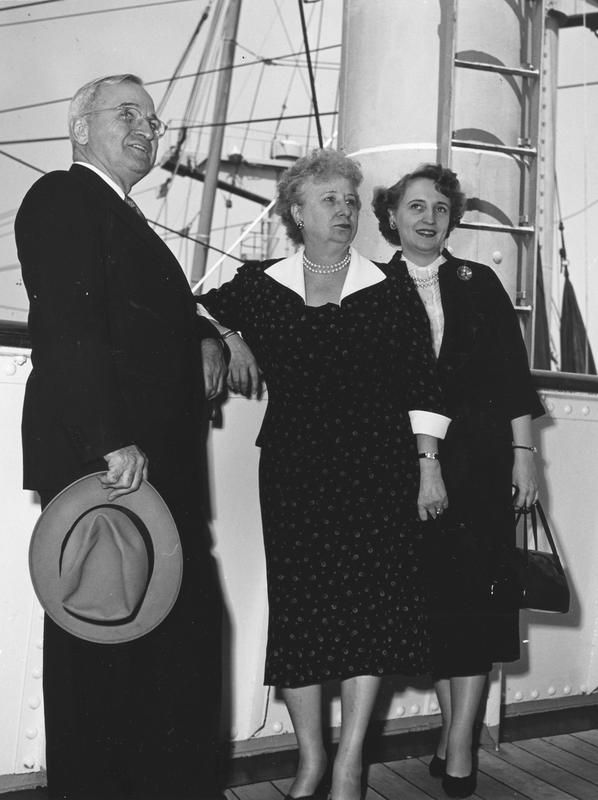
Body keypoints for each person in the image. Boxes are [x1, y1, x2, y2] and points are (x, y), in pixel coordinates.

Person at [198, 148, 450, 800]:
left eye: (349, 199)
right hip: (295, 469)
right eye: (329, 200)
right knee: (302, 613)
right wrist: (229, 337)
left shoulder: (388, 291)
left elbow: (424, 384)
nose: (344, 210)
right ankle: (312, 759)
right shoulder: (262, 284)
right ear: (297, 212)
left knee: (366, 614)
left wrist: (428, 468)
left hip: (378, 468)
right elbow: (189, 306)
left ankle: (349, 764)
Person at [15, 74, 227, 800]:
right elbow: (67, 329)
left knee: (159, 651)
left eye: (153, 120)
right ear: (81, 129)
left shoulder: (122, 216)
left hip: (147, 469)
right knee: (101, 647)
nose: (146, 129)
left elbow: (149, 310)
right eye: (126, 114)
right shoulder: (64, 196)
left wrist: (207, 333)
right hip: (112, 466)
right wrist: (111, 440)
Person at [372, 163, 545, 799]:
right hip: (403, 467)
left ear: (452, 219)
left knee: (475, 604)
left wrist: (524, 453)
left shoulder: (480, 282)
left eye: (439, 209)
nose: (427, 219)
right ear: (391, 216)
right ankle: (452, 735)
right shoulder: (372, 287)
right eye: (414, 207)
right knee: (432, 607)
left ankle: (462, 744)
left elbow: (511, 377)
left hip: (480, 465)